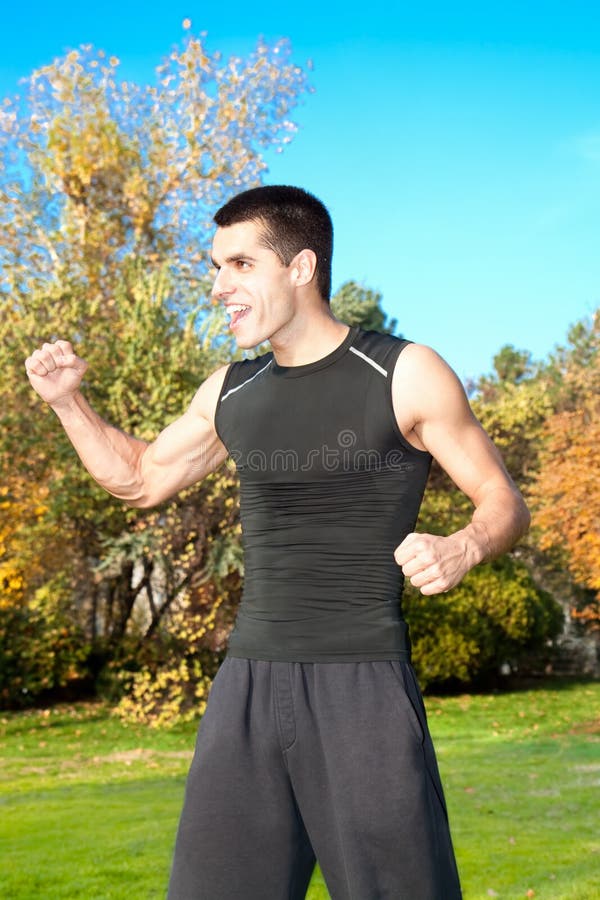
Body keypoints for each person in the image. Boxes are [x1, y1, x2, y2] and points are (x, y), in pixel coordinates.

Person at [25, 185, 530, 900]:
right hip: (248, 684)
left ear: (300, 266)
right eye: (213, 266)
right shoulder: (231, 391)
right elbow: (138, 479)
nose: (218, 286)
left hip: (362, 687)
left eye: (238, 264)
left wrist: (465, 546)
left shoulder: (403, 371)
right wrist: (67, 403)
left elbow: (503, 501)